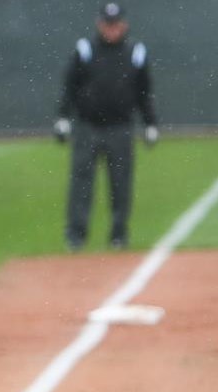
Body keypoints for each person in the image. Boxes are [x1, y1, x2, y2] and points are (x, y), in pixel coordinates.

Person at [54, 2, 160, 251]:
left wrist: (150, 123)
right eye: (107, 24)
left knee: (121, 183)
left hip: (120, 127)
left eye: (116, 24)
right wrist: (62, 118)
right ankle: (76, 236)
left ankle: (119, 235)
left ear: (124, 24)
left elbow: (145, 91)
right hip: (88, 127)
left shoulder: (136, 52)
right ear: (99, 24)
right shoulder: (85, 50)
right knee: (81, 182)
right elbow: (70, 86)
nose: (112, 29)